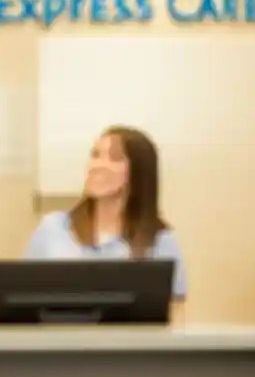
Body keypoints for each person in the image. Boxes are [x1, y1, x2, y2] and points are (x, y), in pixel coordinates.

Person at [24, 125, 188, 318]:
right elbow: (24, 303)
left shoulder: (160, 240)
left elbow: (174, 317)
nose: (98, 165)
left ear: (138, 171)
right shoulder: (52, 229)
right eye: (95, 155)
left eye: (115, 158)